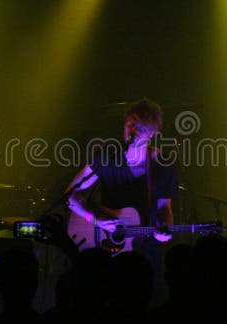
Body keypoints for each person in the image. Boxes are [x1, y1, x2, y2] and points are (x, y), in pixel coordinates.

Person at [66, 98, 178, 252]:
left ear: (152, 133)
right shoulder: (108, 156)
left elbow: (164, 208)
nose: (133, 131)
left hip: (144, 249)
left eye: (140, 127)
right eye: (130, 124)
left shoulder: (163, 164)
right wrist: (95, 220)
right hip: (105, 246)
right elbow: (70, 196)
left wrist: (165, 228)